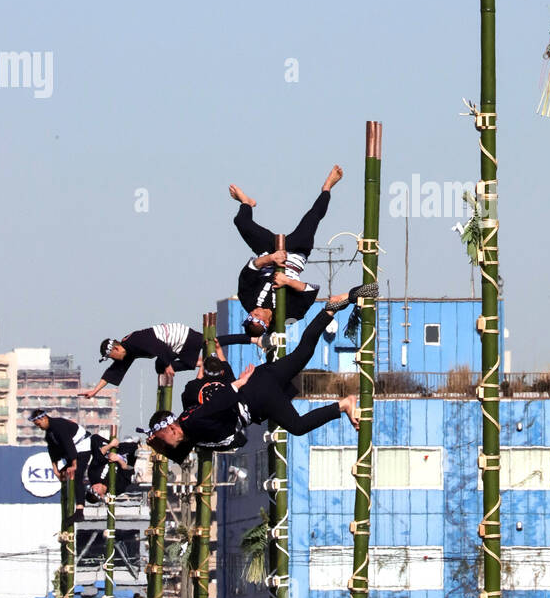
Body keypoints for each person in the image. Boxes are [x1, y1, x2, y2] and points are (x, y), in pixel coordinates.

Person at [146, 290, 375, 463]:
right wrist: (224, 362)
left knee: (297, 425)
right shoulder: (191, 423)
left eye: (163, 441)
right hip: (260, 378)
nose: (165, 447)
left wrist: (237, 383)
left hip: (257, 397)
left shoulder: (192, 421)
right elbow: (183, 446)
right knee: (304, 352)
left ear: (172, 429)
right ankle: (330, 308)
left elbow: (218, 403)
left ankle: (344, 404)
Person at [229, 167, 342, 340]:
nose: (254, 312)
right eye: (256, 317)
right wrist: (287, 281)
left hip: (269, 252)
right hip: (296, 254)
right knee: (312, 218)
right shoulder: (289, 316)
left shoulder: (248, 300)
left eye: (251, 315)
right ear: (266, 323)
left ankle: (246, 202)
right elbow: (310, 290)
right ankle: (327, 188)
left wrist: (271, 258)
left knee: (241, 222)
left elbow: (250, 269)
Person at [83, 323, 205, 397]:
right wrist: (95, 391)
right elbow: (113, 372)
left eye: (110, 356)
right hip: (174, 345)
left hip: (184, 337)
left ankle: (199, 363)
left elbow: (160, 346)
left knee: (162, 364)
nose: (112, 359)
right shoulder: (127, 351)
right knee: (160, 366)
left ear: (116, 348)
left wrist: (168, 365)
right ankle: (197, 362)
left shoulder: (135, 341)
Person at [30, 408, 95, 517]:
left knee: (76, 475)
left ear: (44, 418)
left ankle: (80, 510)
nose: (39, 427)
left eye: (39, 424)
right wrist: (56, 470)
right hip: (72, 451)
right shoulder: (49, 433)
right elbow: (52, 451)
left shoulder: (58, 425)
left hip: (83, 446)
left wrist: (74, 465)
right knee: (64, 475)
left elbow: (68, 444)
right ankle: (67, 508)